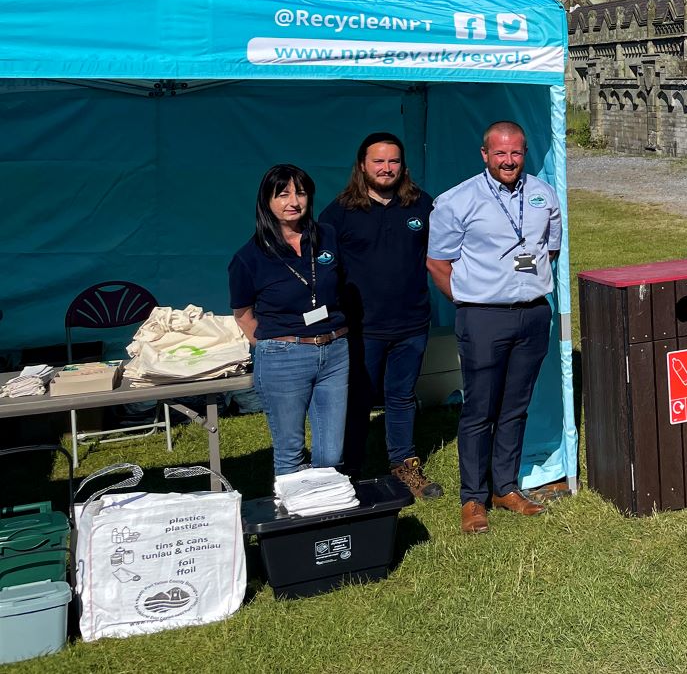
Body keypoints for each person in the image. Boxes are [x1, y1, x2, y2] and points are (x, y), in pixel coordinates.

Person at [427, 121, 562, 531]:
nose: (508, 161)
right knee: (479, 409)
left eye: (516, 153)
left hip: (533, 314)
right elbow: (437, 263)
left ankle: (505, 487)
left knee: (516, 407)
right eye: (500, 153)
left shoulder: (543, 194)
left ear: (525, 153)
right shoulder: (457, 201)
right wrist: (470, 299)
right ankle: (473, 497)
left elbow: (549, 251)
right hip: (483, 317)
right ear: (485, 154)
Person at [320, 132, 442, 498]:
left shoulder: (422, 205)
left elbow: (443, 253)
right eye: (379, 161)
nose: (386, 168)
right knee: (357, 399)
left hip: (412, 323)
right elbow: (324, 270)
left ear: (403, 166)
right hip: (363, 328)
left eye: (393, 161)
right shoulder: (339, 213)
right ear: (362, 165)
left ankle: (404, 465)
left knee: (401, 396)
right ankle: (348, 472)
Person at [229, 165, 349, 476]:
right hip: (284, 356)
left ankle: (325, 503)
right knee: (290, 453)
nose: (293, 202)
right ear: (266, 201)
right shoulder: (249, 257)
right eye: (282, 194)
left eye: (301, 193)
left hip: (335, 351)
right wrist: (278, 345)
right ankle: (292, 505)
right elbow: (243, 315)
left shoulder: (327, 236)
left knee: (331, 452)